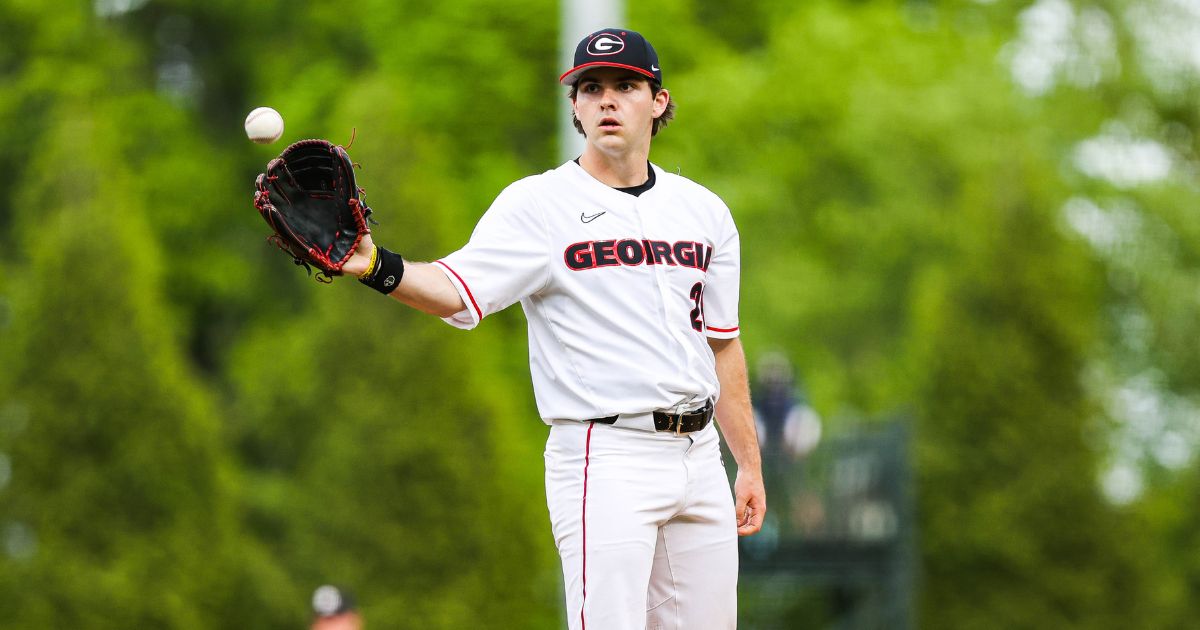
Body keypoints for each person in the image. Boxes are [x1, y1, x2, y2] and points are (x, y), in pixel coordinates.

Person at [345, 27, 765, 630]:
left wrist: (746, 462)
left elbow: (722, 343)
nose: (607, 100)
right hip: (605, 453)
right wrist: (376, 266)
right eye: (591, 88)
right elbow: (457, 291)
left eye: (626, 85)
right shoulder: (538, 205)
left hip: (699, 456)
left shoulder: (704, 211)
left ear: (659, 100)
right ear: (574, 106)